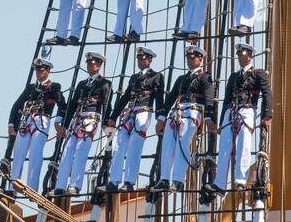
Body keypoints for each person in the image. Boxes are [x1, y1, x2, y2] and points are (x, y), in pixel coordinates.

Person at [213, 43, 273, 194]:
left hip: (247, 111)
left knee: (243, 146)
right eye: (239, 56)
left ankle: (240, 180)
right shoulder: (233, 76)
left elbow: (267, 94)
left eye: (243, 56)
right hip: (231, 112)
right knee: (224, 148)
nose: (240, 58)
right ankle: (219, 183)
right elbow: (226, 100)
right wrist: (221, 123)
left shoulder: (258, 74)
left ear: (250, 56)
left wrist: (267, 116)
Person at [155, 44, 216, 191]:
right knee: (168, 144)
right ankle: (164, 178)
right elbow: (170, 99)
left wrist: (208, 119)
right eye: (188, 57)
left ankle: (177, 179)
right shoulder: (181, 79)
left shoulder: (205, 78)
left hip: (193, 111)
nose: (189, 59)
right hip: (176, 112)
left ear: (200, 59)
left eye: (192, 57)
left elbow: (209, 99)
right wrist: (161, 118)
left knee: (183, 141)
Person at [105, 46, 164, 192]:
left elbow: (158, 97)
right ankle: (114, 180)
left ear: (149, 59)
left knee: (135, 146)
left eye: (142, 58)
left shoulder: (156, 76)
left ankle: (129, 181)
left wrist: (160, 118)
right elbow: (125, 97)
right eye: (138, 58)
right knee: (119, 145)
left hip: (144, 111)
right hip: (129, 112)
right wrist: (113, 116)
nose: (140, 60)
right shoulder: (134, 78)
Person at [54, 50, 111, 196]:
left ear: (98, 65)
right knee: (67, 151)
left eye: (92, 63)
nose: (89, 65)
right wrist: (64, 126)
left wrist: (106, 122)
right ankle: (60, 185)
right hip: (77, 120)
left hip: (91, 118)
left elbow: (106, 104)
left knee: (81, 151)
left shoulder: (105, 84)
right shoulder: (81, 84)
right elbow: (72, 105)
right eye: (88, 63)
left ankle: (75, 185)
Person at [7, 56, 66, 193]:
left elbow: (62, 105)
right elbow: (17, 105)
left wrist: (58, 122)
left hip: (41, 122)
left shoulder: (54, 87)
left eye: (41, 70)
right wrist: (11, 124)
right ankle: (13, 187)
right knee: (18, 154)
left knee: (35, 154)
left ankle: (32, 188)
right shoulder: (31, 88)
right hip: (26, 122)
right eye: (37, 70)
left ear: (47, 71)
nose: (38, 73)